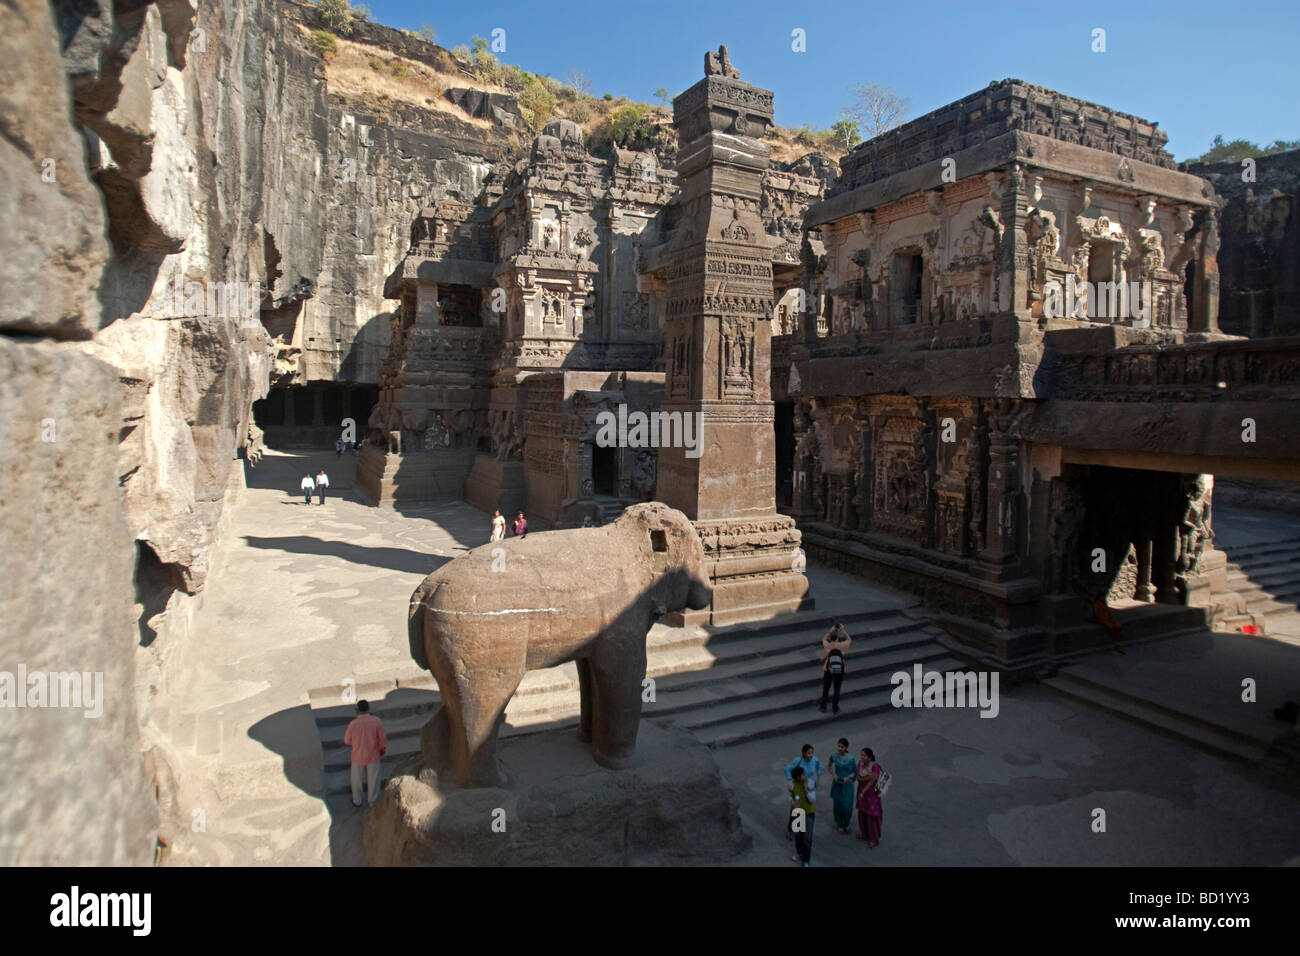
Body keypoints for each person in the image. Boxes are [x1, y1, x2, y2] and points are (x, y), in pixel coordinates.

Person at [343, 699, 388, 808]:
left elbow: (347, 740)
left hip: (357, 756)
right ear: (368, 709)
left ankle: (357, 800)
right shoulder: (376, 721)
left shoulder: (353, 724)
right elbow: (382, 739)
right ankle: (373, 801)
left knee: (356, 779)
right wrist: (382, 748)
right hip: (373, 754)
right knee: (373, 778)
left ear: (357, 710)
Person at [819, 621, 851, 713]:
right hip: (839, 670)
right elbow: (849, 639)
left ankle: (823, 707)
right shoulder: (842, 646)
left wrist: (830, 630)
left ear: (831, 637)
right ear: (838, 637)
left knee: (826, 688)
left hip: (828, 669)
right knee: (837, 689)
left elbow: (824, 639)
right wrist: (843, 630)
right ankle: (835, 708)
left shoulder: (827, 645)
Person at [856, 747, 884, 848]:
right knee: (862, 814)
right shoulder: (860, 764)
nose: (862, 757)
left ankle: (874, 838)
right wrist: (867, 777)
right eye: (861, 755)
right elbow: (858, 777)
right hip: (862, 793)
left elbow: (872, 781)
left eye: (864, 755)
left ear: (870, 757)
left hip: (871, 794)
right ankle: (864, 833)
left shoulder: (874, 766)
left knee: (871, 816)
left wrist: (863, 791)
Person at [788, 766, 816, 866]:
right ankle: (799, 853)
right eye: (803, 774)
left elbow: (813, 800)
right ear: (798, 777)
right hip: (797, 813)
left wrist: (806, 790)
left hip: (808, 814)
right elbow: (790, 796)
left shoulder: (810, 782)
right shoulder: (792, 784)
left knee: (807, 838)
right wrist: (791, 802)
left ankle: (806, 860)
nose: (805, 775)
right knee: (798, 836)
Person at [829, 737, 856, 834]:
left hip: (847, 784)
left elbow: (854, 772)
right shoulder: (834, 756)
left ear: (846, 747)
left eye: (842, 747)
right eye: (839, 746)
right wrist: (834, 775)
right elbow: (829, 766)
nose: (840, 748)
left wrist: (847, 778)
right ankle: (839, 823)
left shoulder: (851, 759)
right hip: (837, 783)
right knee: (837, 805)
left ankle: (847, 823)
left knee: (847, 806)